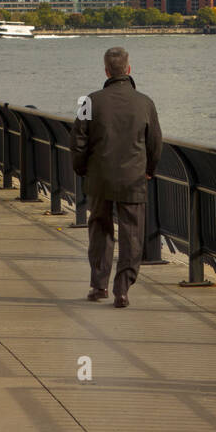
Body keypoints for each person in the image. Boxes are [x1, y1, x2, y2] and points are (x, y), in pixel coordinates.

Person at [71, 46, 162, 308]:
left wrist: (81, 169)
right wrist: (149, 170)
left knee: (100, 229)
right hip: (133, 178)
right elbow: (155, 143)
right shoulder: (145, 102)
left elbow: (77, 141)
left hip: (99, 179)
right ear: (129, 70)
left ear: (107, 71)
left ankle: (98, 285)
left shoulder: (89, 101)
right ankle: (122, 289)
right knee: (132, 233)